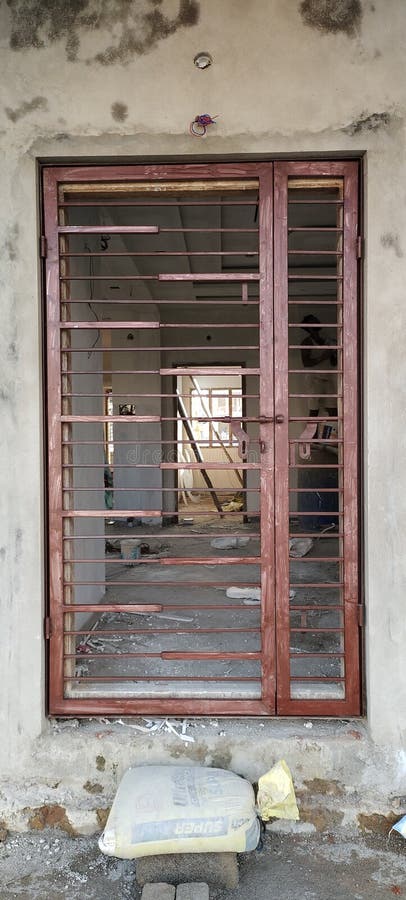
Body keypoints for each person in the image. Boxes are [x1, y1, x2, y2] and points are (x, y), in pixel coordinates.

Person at [298, 314, 337, 457]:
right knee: (314, 410)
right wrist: (323, 356)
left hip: (327, 377)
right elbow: (306, 362)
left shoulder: (327, 341)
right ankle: (312, 440)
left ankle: (328, 439)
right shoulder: (306, 342)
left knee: (333, 411)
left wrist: (333, 353)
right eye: (312, 323)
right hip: (314, 378)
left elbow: (334, 362)